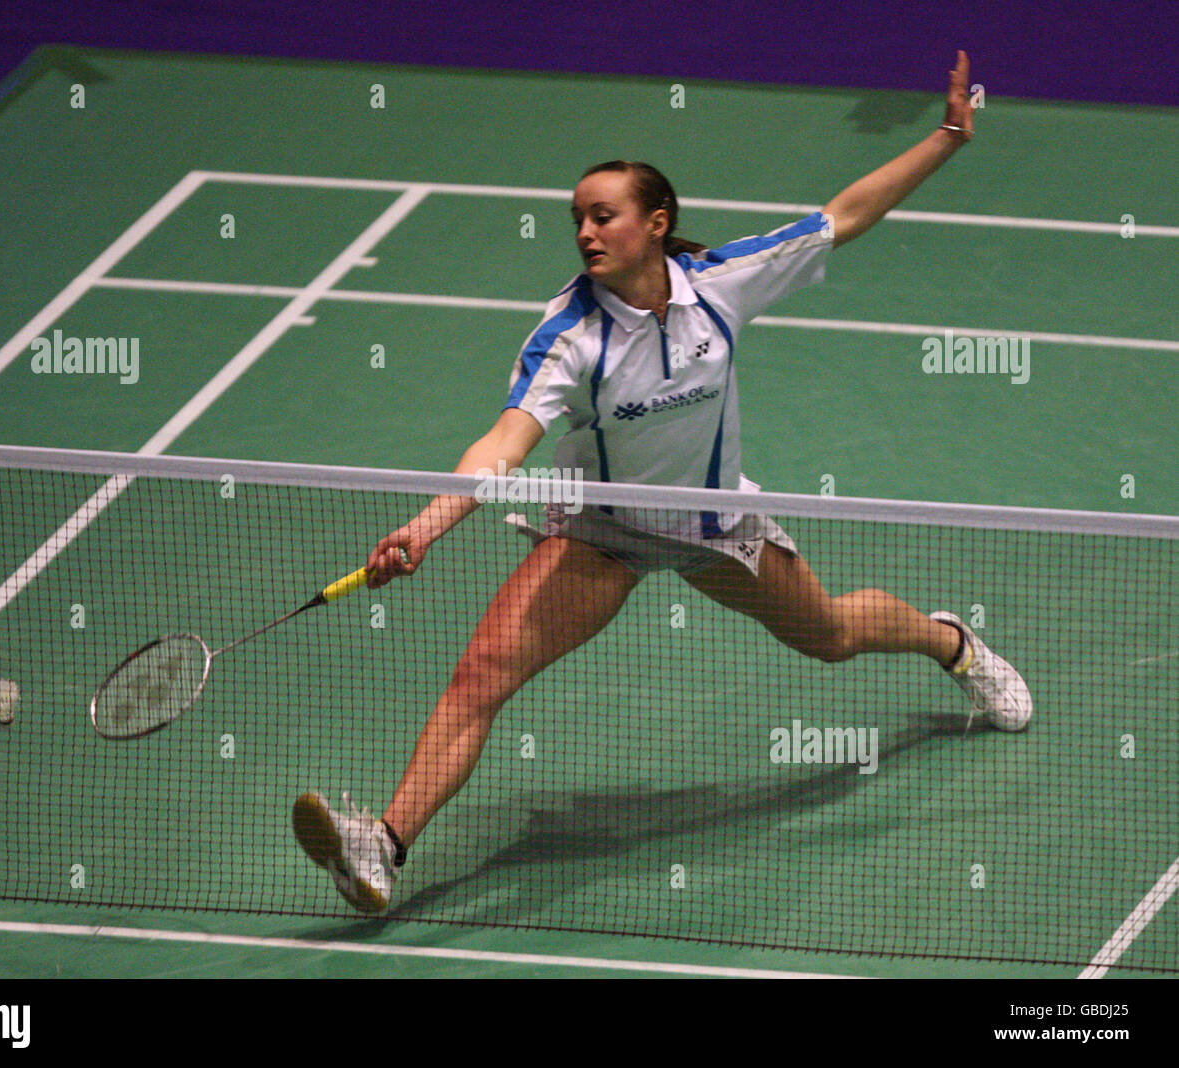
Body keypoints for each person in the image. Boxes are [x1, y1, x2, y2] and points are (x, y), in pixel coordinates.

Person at [293, 51, 1031, 914]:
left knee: (830, 634)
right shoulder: (571, 337)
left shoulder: (721, 285)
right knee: (483, 671)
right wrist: (426, 526)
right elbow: (502, 445)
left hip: (713, 522)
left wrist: (947, 136)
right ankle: (379, 847)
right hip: (604, 531)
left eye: (604, 216)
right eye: (577, 219)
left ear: (655, 222)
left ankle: (954, 645)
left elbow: (841, 216)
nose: (585, 233)